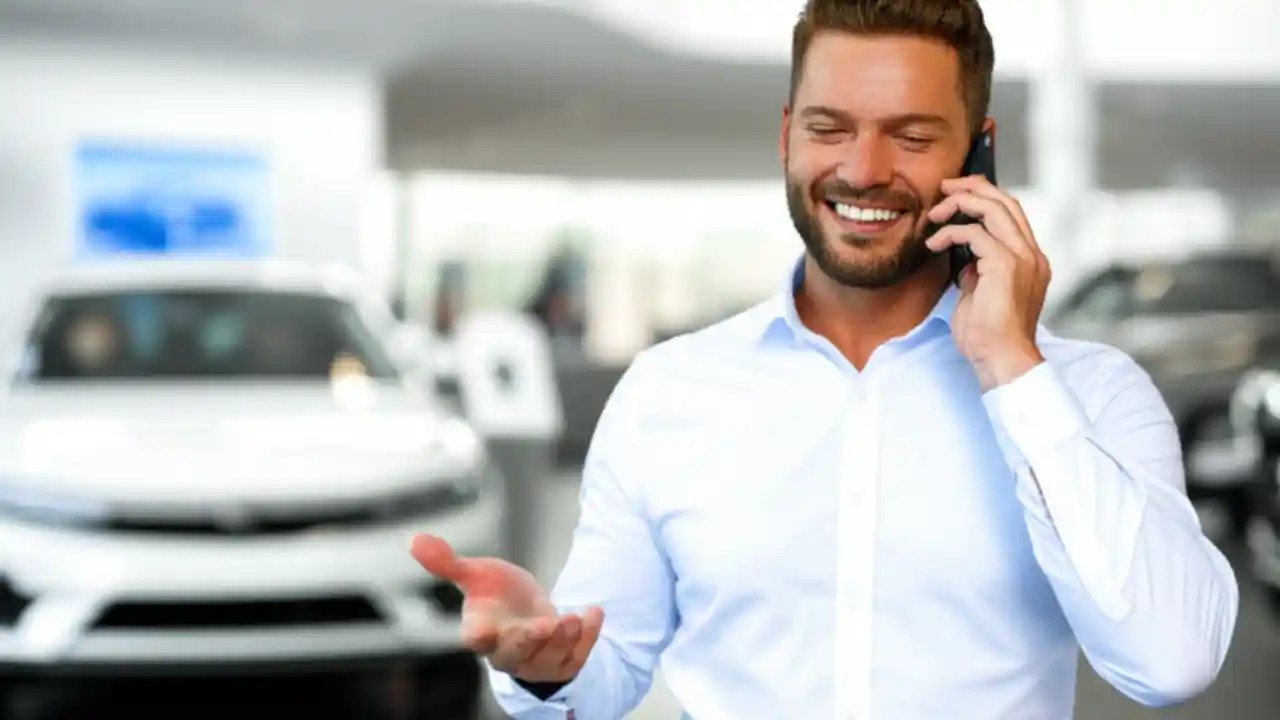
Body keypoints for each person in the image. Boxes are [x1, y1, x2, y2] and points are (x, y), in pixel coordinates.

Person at [410, 0, 1239, 717]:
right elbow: (609, 673)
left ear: (978, 153)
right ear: (787, 135)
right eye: (829, 127)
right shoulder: (670, 392)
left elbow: (1170, 663)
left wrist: (1013, 370)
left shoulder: (1089, 396)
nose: (862, 169)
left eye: (911, 135)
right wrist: (550, 666)